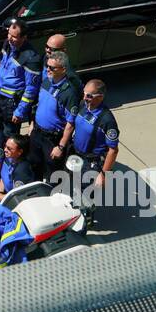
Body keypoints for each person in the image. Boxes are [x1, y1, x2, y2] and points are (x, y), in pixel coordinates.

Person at [62, 79, 120, 222]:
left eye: (89, 96)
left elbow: (113, 150)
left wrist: (103, 175)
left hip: (91, 162)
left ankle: (86, 219)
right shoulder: (84, 106)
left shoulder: (107, 120)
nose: (84, 98)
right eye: (84, 94)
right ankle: (75, 211)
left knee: (87, 194)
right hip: (76, 155)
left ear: (100, 96)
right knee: (74, 186)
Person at [27, 51, 82, 183]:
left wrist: (61, 147)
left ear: (63, 69)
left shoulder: (69, 93)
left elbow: (70, 124)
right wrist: (32, 125)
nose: (48, 70)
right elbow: (40, 105)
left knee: (53, 173)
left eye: (52, 68)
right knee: (34, 165)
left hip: (52, 139)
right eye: (47, 66)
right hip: (37, 132)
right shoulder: (46, 81)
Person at [0, 18, 42, 136]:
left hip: (12, 102)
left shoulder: (30, 57)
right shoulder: (7, 44)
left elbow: (31, 89)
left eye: (14, 36)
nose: (9, 38)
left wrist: (20, 111)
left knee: (10, 135)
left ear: (24, 37)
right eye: (9, 33)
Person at [0, 136, 29, 201]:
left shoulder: (21, 171)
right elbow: (3, 177)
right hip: (5, 194)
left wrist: (0, 197)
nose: (5, 150)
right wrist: (0, 192)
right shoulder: (9, 157)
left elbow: (19, 196)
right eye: (5, 146)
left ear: (20, 152)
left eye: (9, 148)